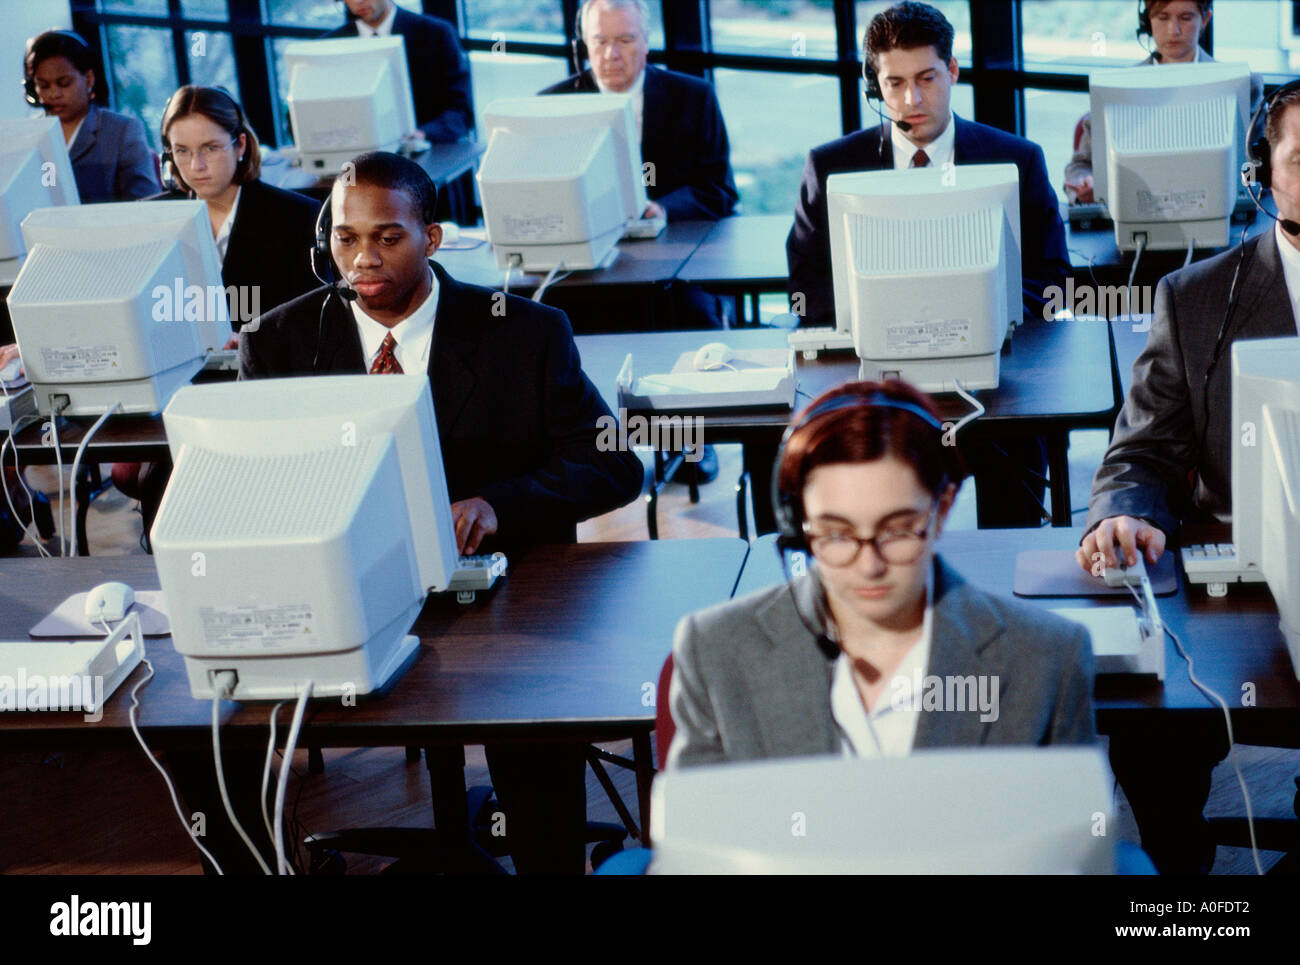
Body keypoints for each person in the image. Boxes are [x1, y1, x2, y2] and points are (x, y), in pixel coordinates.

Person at [237, 152, 644, 874]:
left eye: (388, 237)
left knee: (532, 727)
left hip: (506, 597)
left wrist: (497, 502)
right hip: (346, 596)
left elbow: (614, 464)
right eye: (344, 237)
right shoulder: (278, 342)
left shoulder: (525, 330)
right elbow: (255, 488)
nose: (362, 257)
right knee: (214, 724)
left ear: (433, 235)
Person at [1074, 74, 1300, 880]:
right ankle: (1187, 889)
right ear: (1261, 177)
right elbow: (1142, 451)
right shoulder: (1198, 298)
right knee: (1148, 724)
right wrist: (1123, 513)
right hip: (1243, 589)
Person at [668, 379, 1096, 768]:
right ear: (797, 523)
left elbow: (1074, 844)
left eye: (897, 531)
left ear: (943, 508)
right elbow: (695, 844)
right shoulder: (715, 653)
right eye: (836, 533)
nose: (869, 566)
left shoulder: (1048, 658)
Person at [783, 1, 1068, 529]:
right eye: (893, 83)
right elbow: (805, 283)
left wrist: (991, 314)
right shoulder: (830, 166)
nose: (911, 99)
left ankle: (1007, 587)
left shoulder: (1016, 158)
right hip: (877, 377)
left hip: (987, 374)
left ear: (953, 71)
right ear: (876, 86)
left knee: (1015, 459)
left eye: (927, 78)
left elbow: (1052, 278)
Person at [541, 0, 739, 224]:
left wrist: (664, 209)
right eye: (600, 42)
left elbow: (720, 189)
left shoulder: (694, 97)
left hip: (675, 241)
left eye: (624, 40)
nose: (611, 54)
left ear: (646, 41)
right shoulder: (551, 104)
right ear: (585, 44)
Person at [152, 86, 320, 329]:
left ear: (240, 145)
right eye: (182, 151)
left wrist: (249, 342)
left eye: (210, 148)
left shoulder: (297, 216)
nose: (196, 165)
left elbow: (311, 319)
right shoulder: (154, 219)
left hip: (266, 362)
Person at [1064, 1, 1263, 204]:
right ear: (1147, 21)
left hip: (1219, 207)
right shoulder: (1117, 88)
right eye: (1162, 18)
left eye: (1185, 18)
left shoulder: (1243, 86)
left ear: (1205, 20)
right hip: (1134, 207)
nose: (1173, 30)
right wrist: (1084, 182)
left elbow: (1261, 165)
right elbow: (1079, 167)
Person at [23, 30, 159, 202]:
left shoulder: (122, 130)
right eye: (43, 85)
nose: (54, 93)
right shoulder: (28, 136)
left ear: (89, 79)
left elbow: (146, 204)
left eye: (64, 83)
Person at [324, 0, 473, 144]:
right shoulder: (329, 45)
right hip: (356, 152)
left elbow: (461, 110)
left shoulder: (436, 33)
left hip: (428, 150)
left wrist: (424, 134)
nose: (358, 1)